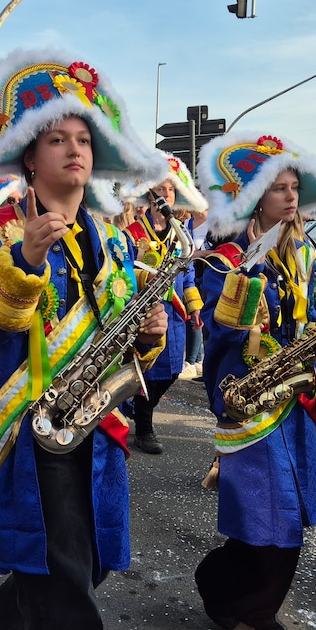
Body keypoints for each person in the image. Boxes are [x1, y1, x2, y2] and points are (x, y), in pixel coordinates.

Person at [0, 51, 168, 630]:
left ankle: (6, 613)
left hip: (95, 429)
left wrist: (149, 333)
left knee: (89, 566)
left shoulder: (110, 237)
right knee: (72, 597)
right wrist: (24, 262)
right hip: (28, 434)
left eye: (83, 138)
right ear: (29, 154)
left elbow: (118, 329)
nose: (74, 149)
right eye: (57, 139)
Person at [191, 131, 316, 630]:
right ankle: (218, 583)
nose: (291, 196)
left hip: (296, 396)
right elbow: (221, 331)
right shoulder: (225, 258)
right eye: (279, 188)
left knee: (291, 509)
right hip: (251, 395)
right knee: (263, 508)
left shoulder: (300, 254)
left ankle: (259, 605)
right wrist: (245, 284)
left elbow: (301, 320)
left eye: (294, 187)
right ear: (254, 198)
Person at [122, 156, 206, 453]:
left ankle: (137, 408)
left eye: (170, 190)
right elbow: (124, 274)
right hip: (147, 312)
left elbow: (189, 276)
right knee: (148, 371)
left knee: (171, 371)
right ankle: (145, 427)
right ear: (149, 195)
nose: (165, 195)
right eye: (159, 190)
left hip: (176, 314)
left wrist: (194, 308)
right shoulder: (132, 233)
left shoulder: (182, 234)